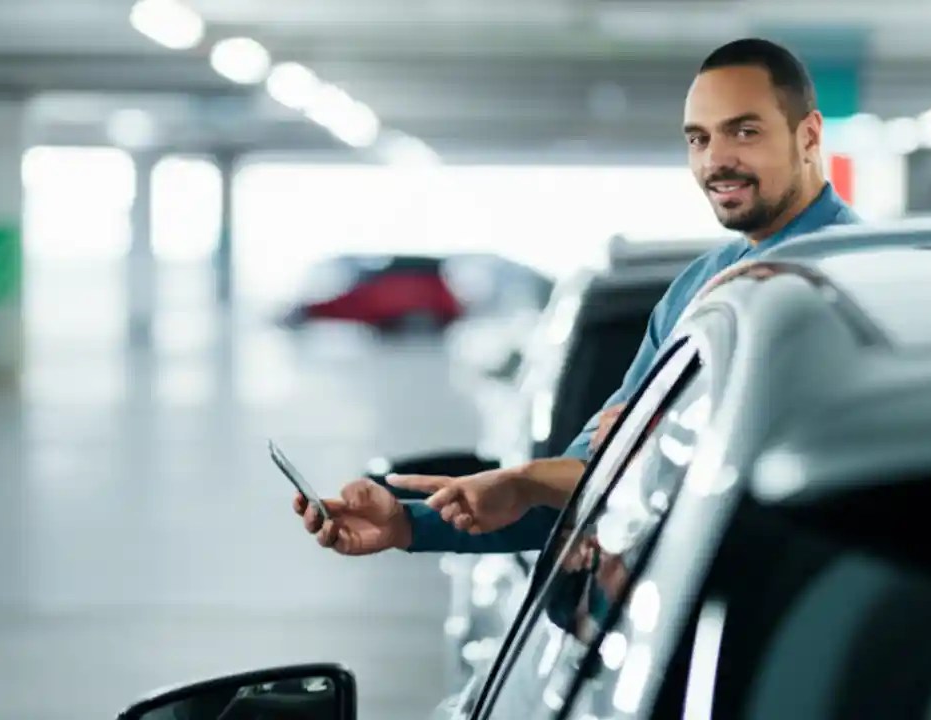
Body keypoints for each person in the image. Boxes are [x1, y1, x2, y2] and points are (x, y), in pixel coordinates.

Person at [294, 37, 861, 556]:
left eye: (744, 131)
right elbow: (587, 484)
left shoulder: (864, 281)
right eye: (699, 138)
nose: (715, 161)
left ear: (808, 135)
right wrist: (410, 525)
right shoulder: (697, 291)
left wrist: (655, 446)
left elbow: (814, 480)